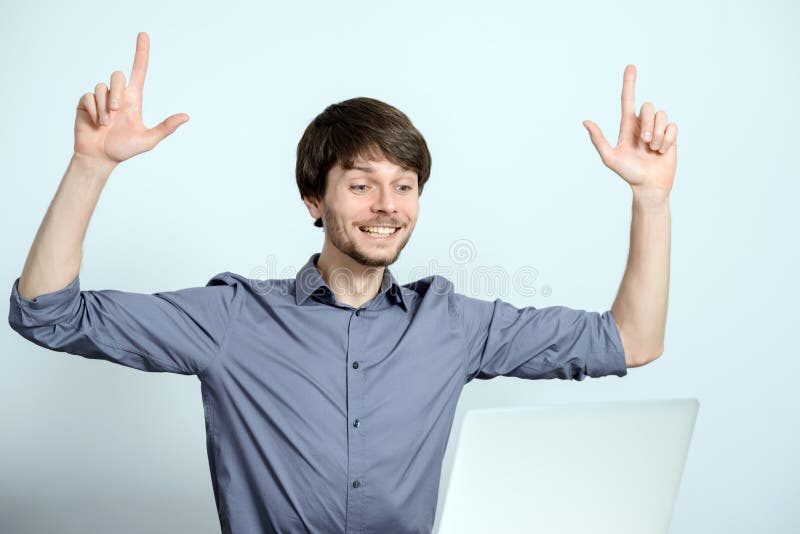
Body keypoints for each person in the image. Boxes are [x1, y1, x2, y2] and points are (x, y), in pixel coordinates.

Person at [7, 31, 676, 534]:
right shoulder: (234, 319)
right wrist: (90, 166)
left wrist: (649, 199)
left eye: (404, 186)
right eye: (361, 184)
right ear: (314, 201)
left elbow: (632, 340)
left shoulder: (452, 324)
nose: (388, 204)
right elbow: (47, 314)